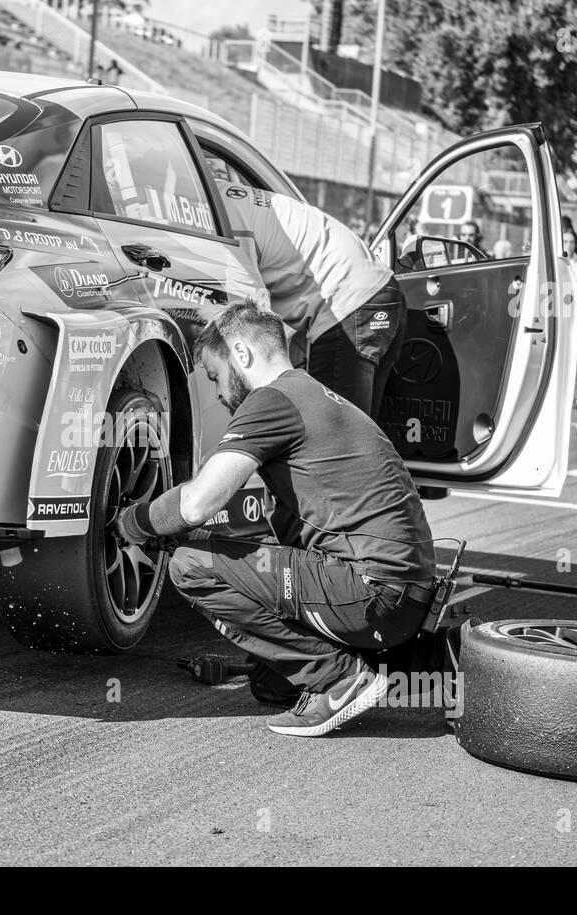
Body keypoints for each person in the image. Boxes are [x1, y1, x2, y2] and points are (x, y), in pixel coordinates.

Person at [115, 301, 452, 736]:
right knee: (271, 683)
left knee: (190, 566)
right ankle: (434, 662)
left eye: (215, 375)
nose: (218, 393)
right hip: (408, 598)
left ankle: (335, 677)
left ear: (242, 353)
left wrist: (132, 522)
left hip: (373, 593)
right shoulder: (314, 396)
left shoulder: (271, 400)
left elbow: (199, 502)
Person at [219, 182, 405, 419]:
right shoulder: (236, 199)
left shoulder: (221, 219)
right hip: (381, 292)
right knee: (362, 431)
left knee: (335, 432)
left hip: (348, 304)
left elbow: (250, 321)